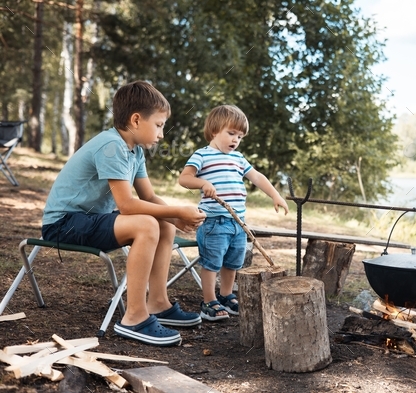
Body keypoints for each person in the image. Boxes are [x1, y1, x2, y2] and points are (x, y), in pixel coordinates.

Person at [41, 80, 206, 346]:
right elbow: (127, 205)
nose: (162, 134)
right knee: (147, 225)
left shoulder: (134, 151)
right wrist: (176, 210)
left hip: (89, 220)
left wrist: (174, 217)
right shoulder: (112, 146)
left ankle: (157, 303)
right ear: (136, 120)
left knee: (164, 225)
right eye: (159, 125)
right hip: (64, 224)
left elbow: (149, 197)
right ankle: (134, 317)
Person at [179, 105, 289, 321]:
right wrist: (202, 182)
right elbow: (184, 178)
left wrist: (275, 195)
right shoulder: (203, 155)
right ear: (214, 131)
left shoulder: (238, 158)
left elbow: (257, 177)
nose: (235, 140)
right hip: (214, 221)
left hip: (238, 223)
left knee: (233, 262)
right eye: (231, 133)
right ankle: (208, 301)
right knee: (212, 262)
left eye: (239, 136)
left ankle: (226, 295)